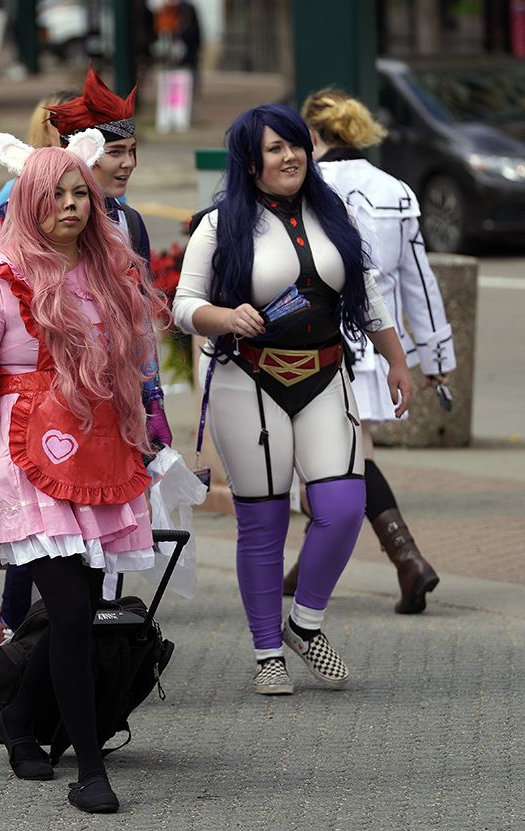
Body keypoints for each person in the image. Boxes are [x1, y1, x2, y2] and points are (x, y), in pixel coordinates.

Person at [0, 142, 163, 813]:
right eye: (55, 194)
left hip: (94, 452)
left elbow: (128, 374)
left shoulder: (106, 273)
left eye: (79, 193)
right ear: (30, 201)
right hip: (24, 458)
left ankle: (14, 711)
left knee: (79, 614)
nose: (69, 205)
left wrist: (144, 443)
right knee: (67, 609)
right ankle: (91, 770)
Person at [173, 104, 414, 696]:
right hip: (246, 379)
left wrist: (397, 359)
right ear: (250, 161)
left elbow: (369, 294)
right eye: (275, 148)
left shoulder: (333, 213)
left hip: (326, 375)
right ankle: (266, 653)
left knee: (341, 505)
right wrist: (225, 316)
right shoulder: (219, 224)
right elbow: (182, 306)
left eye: (296, 145)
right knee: (265, 520)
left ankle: (305, 625)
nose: (290, 157)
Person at [0, 67, 173, 669]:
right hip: (40, 407)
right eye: (114, 151)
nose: (125, 165)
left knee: (94, 541)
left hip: (108, 408)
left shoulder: (128, 221)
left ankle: (82, 663)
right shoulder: (14, 207)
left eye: (131, 151)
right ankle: (14, 645)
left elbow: (137, 323)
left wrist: (152, 400)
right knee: (41, 539)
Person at [285, 88, 455, 614]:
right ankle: (320, 565)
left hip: (313, 340)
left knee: (343, 458)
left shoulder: (300, 186)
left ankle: (409, 561)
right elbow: (418, 282)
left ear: (313, 135)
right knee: (337, 454)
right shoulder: (397, 191)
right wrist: (435, 356)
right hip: (373, 343)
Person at [0, 89, 77, 208]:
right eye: (62, 122)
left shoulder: (102, 185)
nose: (76, 132)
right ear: (44, 132)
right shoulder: (16, 189)